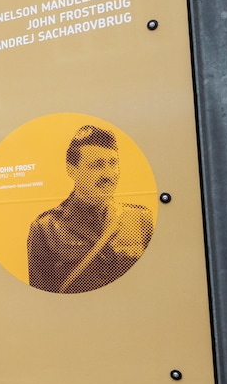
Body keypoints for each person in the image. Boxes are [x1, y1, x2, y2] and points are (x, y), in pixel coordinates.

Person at [27, 125, 154, 293]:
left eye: (113, 163)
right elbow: (43, 299)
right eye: (97, 165)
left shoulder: (140, 220)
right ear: (72, 170)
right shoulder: (46, 229)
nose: (108, 174)